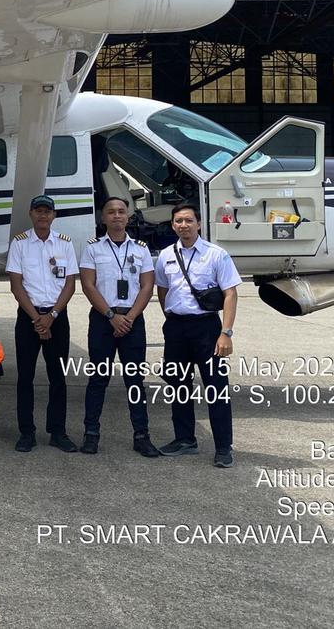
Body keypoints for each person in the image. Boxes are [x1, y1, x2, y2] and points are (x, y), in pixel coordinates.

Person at [154, 203, 241, 468]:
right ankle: (185, 439)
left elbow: (230, 294)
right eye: (178, 221)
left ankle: (224, 447)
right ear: (172, 225)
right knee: (178, 386)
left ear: (199, 224)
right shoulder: (166, 255)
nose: (184, 225)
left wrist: (225, 333)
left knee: (216, 388)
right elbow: (162, 289)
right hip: (177, 328)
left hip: (207, 329)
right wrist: (171, 318)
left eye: (189, 220)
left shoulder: (216, 254)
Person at [78, 197, 160, 458]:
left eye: (121, 212)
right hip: (103, 320)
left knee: (135, 381)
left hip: (132, 321)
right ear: (103, 218)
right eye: (111, 212)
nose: (116, 216)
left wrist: (130, 318)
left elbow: (147, 286)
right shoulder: (92, 249)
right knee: (98, 379)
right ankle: (91, 434)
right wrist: (112, 315)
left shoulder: (141, 249)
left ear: (128, 217)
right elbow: (88, 285)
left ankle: (141, 435)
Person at [5, 195, 79, 453]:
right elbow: (16, 284)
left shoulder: (65, 244)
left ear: (53, 216)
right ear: (31, 213)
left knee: (58, 377)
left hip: (57, 318)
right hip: (29, 318)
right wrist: (38, 319)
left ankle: (58, 432)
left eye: (47, 211)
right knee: (25, 377)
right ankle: (27, 432)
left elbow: (70, 283)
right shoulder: (20, 244)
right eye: (38, 211)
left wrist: (52, 316)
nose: (43, 216)